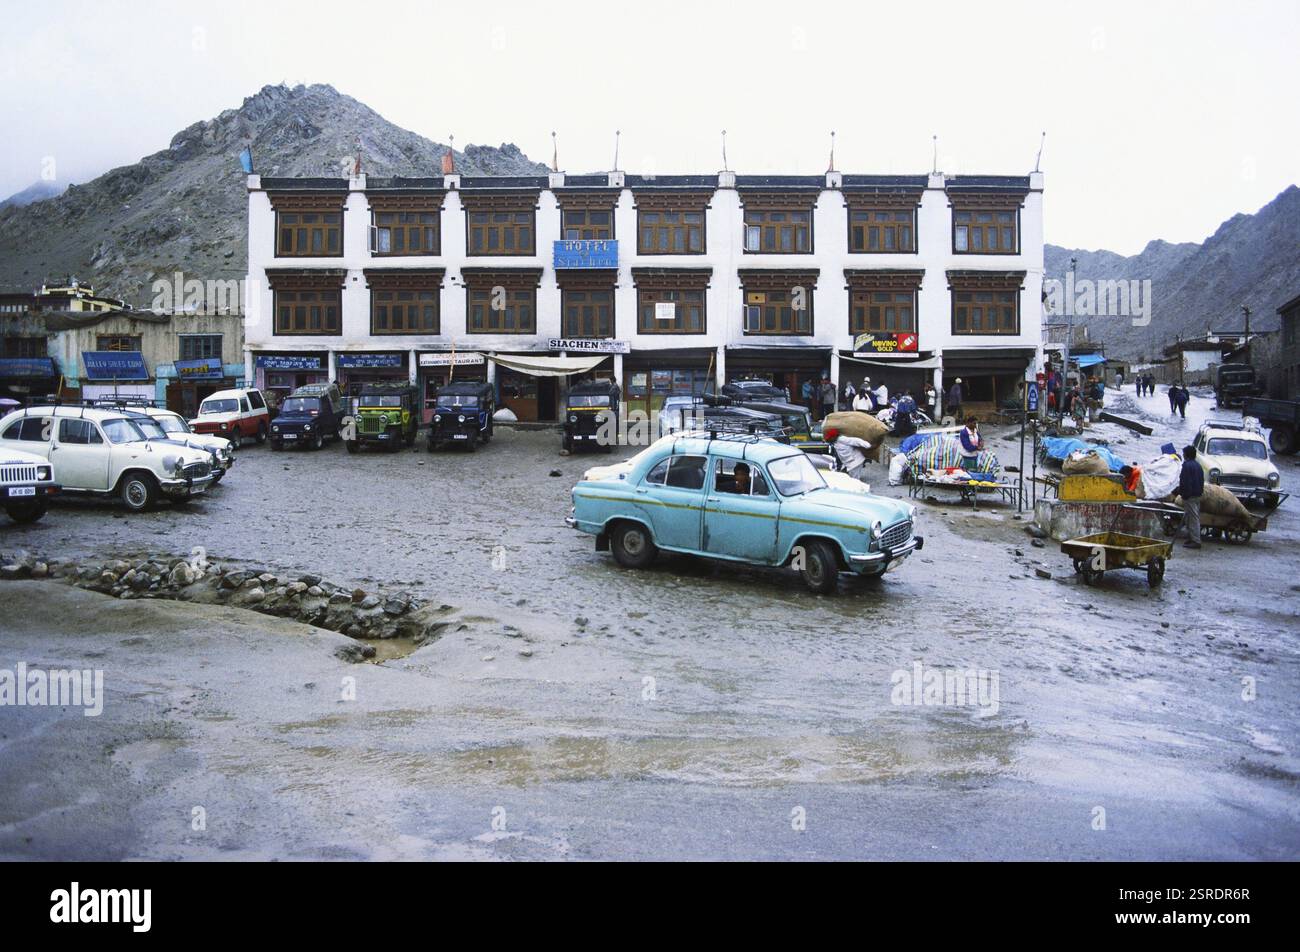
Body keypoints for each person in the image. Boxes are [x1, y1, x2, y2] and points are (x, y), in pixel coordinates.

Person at [1178, 445, 1203, 548]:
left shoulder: (1187, 466)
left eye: (1184, 453)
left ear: (1186, 455)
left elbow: (1186, 482)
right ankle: (1191, 537)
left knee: (1193, 518)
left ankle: (1196, 541)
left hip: (1190, 495)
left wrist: (1184, 494)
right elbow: (1201, 481)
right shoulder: (1198, 465)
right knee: (1190, 517)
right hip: (1197, 494)